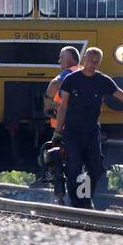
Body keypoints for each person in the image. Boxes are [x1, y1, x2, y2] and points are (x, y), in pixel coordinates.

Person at [52, 47, 123, 210]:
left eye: (97, 61)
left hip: (91, 132)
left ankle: (86, 197)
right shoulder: (71, 80)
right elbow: (63, 107)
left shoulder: (103, 81)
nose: (94, 64)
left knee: (96, 167)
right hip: (72, 131)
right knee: (74, 166)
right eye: (91, 60)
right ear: (84, 59)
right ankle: (78, 203)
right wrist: (57, 131)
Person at [43, 45, 82, 203]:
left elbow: (54, 84)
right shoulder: (86, 72)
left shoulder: (68, 73)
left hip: (65, 125)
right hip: (85, 125)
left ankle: (60, 193)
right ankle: (82, 196)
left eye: (62, 57)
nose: (59, 60)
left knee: (56, 156)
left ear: (71, 59)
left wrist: (48, 101)